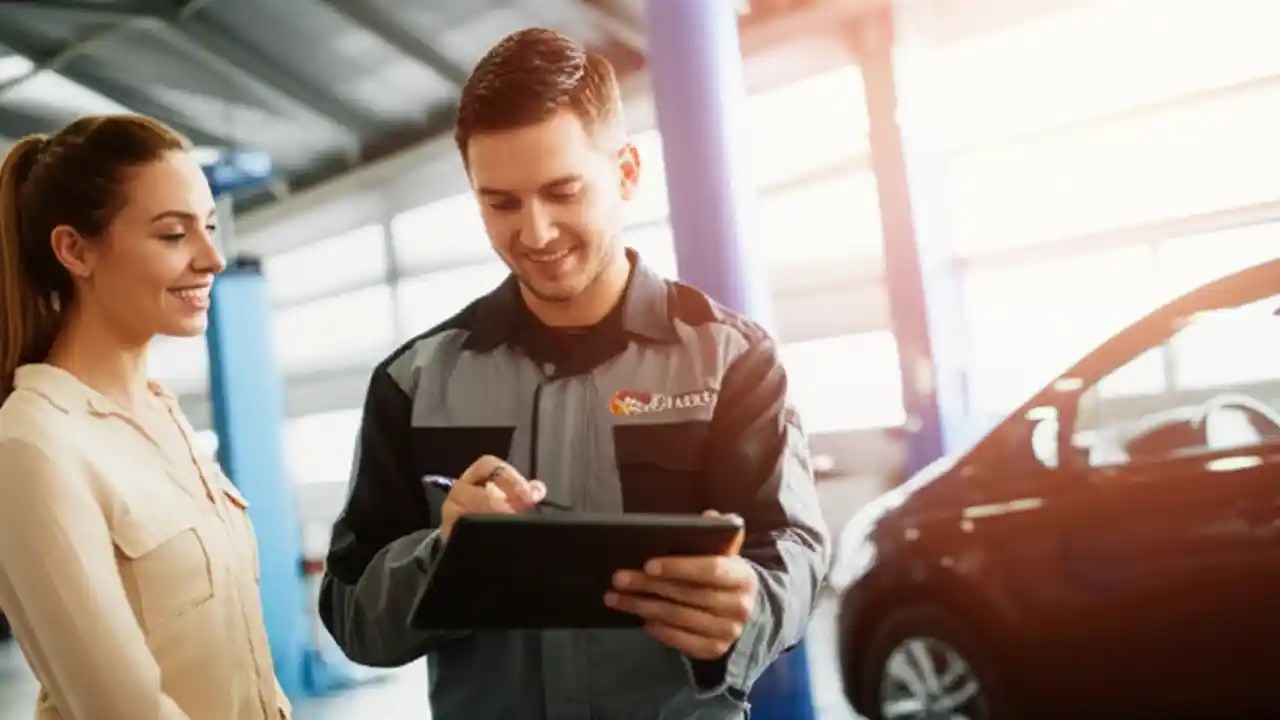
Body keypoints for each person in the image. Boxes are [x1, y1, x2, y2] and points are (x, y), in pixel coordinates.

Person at [319, 28, 830, 719]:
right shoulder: (414, 384)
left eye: (563, 192)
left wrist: (751, 603)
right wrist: (443, 553)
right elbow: (353, 616)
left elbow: (791, 551)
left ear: (624, 173)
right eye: (500, 203)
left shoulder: (731, 362)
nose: (534, 233)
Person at [0, 116, 291, 719]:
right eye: (172, 235)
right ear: (74, 250)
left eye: (209, 228)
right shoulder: (33, 446)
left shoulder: (161, 416)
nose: (212, 258)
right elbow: (123, 710)